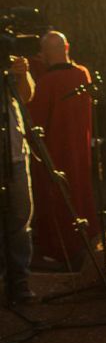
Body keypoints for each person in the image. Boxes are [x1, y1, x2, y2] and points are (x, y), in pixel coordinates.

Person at [28, 31, 97, 268]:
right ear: (67, 47)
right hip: (79, 148)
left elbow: (35, 122)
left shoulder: (47, 82)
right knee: (81, 191)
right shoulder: (82, 74)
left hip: (55, 151)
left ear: (45, 54)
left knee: (55, 196)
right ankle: (83, 240)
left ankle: (57, 248)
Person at [1, 53, 35, 303]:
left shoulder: (9, 59)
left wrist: (22, 73)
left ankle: (19, 279)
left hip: (14, 151)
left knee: (21, 216)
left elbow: (26, 95)